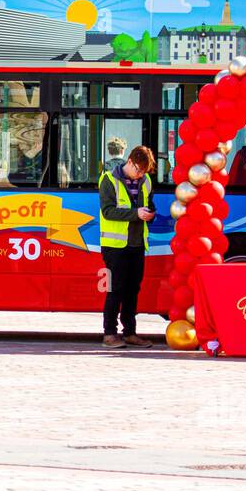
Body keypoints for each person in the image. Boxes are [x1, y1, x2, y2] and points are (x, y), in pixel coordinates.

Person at [98, 145, 157, 349]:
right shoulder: (108, 180)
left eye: (143, 172)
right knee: (115, 289)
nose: (140, 175)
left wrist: (150, 213)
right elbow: (107, 211)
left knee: (133, 290)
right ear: (130, 162)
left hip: (137, 243)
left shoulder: (146, 181)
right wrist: (136, 214)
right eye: (138, 170)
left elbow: (150, 205)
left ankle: (130, 332)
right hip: (115, 246)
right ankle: (109, 334)